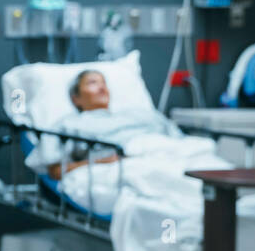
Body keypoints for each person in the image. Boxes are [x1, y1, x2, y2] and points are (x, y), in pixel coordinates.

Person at [45, 69, 180, 180]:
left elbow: (180, 141)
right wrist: (103, 161)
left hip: (173, 154)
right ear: (76, 98)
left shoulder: (142, 114)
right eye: (92, 83)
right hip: (135, 165)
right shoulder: (68, 125)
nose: (102, 87)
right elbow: (55, 170)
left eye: (104, 83)